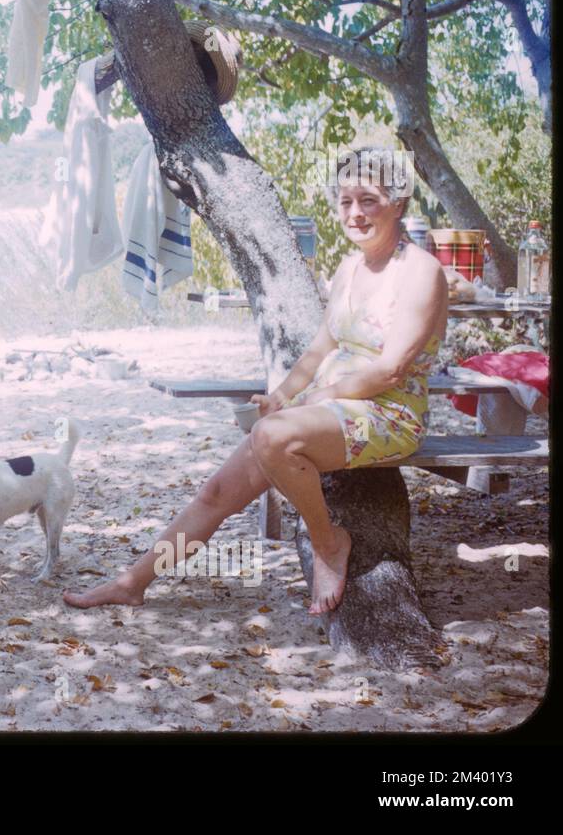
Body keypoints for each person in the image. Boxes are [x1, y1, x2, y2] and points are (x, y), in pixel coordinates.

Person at [65, 147, 448, 615]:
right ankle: (133, 581)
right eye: (345, 201)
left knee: (271, 437)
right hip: (329, 408)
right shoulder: (349, 268)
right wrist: (283, 394)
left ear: (399, 202)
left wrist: (312, 400)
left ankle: (329, 543)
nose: (354, 213)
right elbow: (322, 346)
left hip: (389, 414)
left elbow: (390, 369)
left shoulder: (421, 272)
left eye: (368, 200)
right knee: (217, 491)